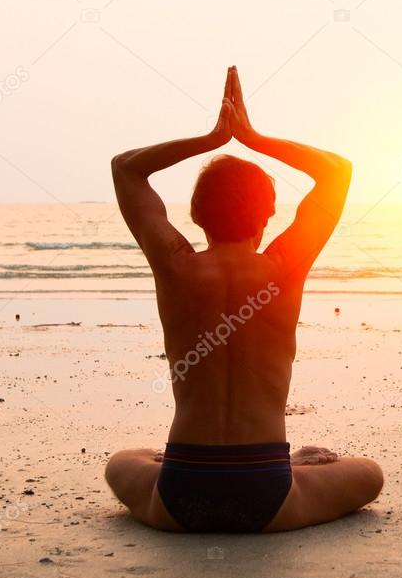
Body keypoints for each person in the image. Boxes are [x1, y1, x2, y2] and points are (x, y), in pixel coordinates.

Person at [104, 66, 383, 532]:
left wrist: (212, 139)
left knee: (123, 461)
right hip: (267, 494)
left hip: (180, 493)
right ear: (268, 214)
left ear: (196, 215)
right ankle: (298, 469)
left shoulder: (176, 266)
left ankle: (178, 466)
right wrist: (253, 138)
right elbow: (338, 171)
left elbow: (125, 167)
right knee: (369, 473)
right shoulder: (284, 266)